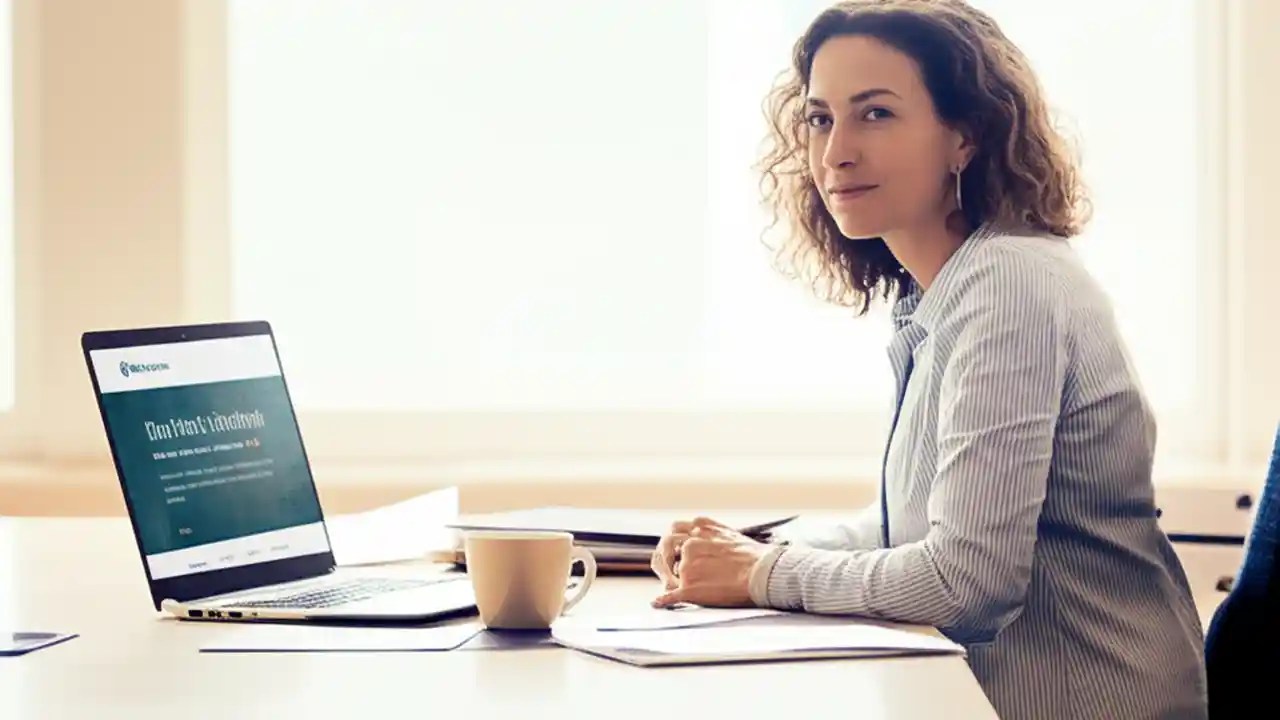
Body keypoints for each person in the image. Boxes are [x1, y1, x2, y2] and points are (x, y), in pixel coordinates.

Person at [650, 1, 1207, 718]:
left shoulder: (1009, 287)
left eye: (874, 114)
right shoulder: (939, 294)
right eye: (821, 118)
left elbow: (966, 584)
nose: (834, 152)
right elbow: (907, 529)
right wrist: (743, 547)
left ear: (965, 137)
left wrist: (763, 571)